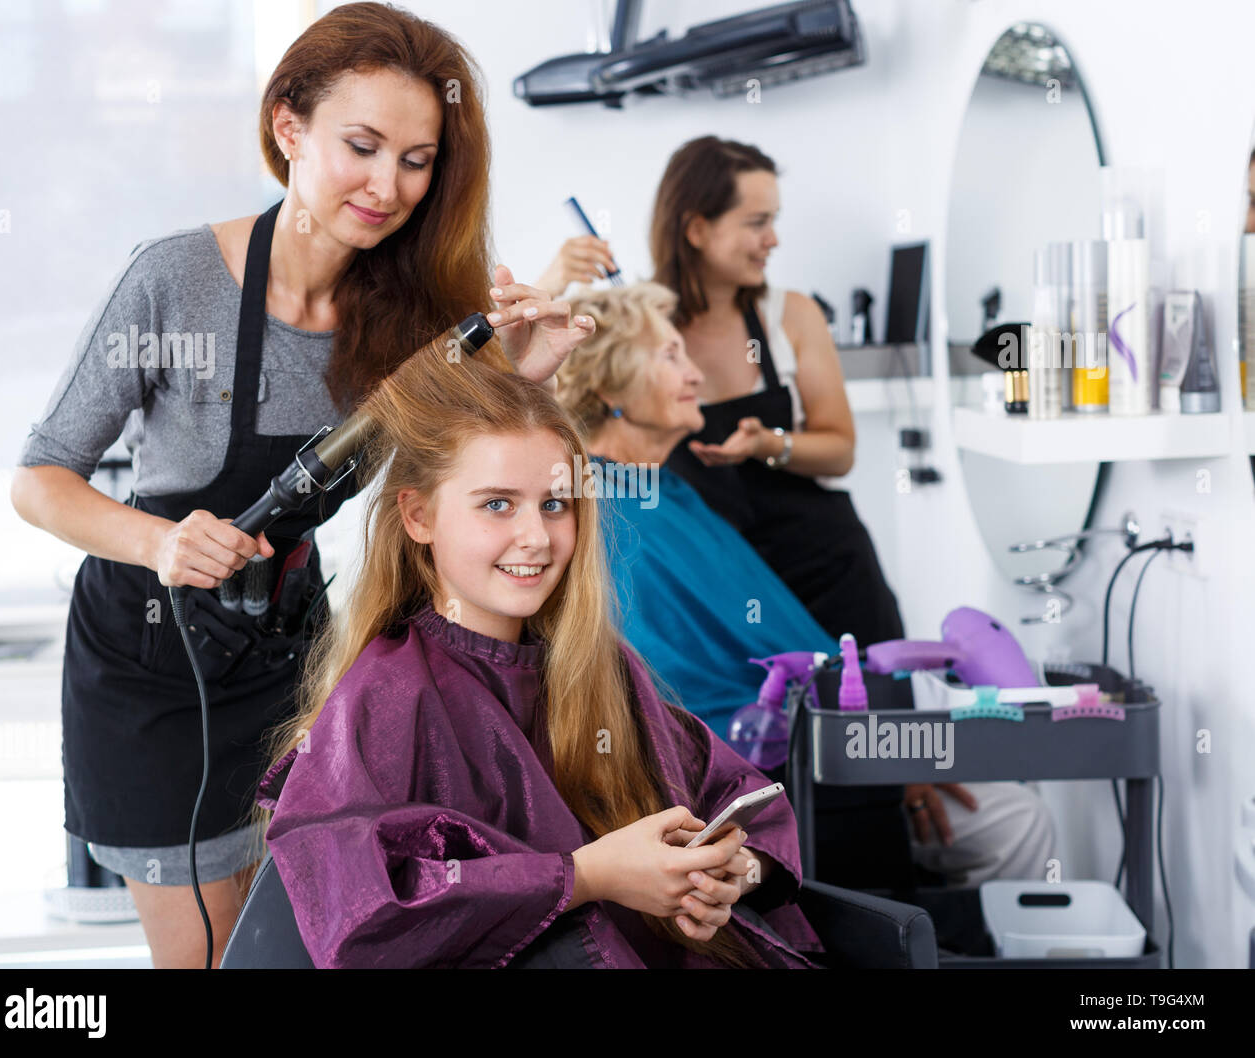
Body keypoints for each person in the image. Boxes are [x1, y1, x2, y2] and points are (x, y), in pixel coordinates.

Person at [9, 2, 593, 969]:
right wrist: (160, 542)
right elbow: (39, 479)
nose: (389, 185)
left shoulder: (418, 308)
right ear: (290, 127)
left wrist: (526, 376)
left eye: (416, 159)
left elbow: (445, 484)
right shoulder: (174, 282)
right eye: (361, 146)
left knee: (306, 938)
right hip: (155, 661)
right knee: (204, 959)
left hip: (293, 652)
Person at [251, 340, 825, 969]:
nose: (536, 537)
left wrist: (731, 871)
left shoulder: (595, 666)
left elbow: (738, 793)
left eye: (555, 504)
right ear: (417, 515)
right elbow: (368, 917)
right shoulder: (387, 698)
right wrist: (584, 877)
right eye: (497, 504)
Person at [556, 281, 1056, 892]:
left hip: (823, 742)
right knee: (1018, 821)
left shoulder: (665, 492)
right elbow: (676, 687)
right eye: (669, 357)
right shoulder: (614, 509)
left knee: (1004, 814)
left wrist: (888, 747)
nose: (694, 374)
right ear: (610, 388)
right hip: (763, 771)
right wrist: (883, 754)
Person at [649, 135, 903, 648]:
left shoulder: (793, 316)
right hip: (717, 592)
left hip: (829, 577)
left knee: (863, 719)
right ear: (697, 229)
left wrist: (773, 445)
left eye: (774, 220)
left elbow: (840, 451)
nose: (774, 240)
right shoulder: (643, 328)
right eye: (757, 222)